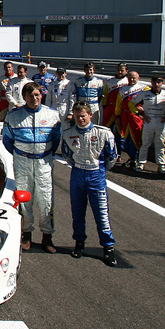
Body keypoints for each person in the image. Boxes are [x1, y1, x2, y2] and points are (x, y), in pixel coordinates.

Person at [2, 82, 62, 253]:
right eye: (30, 96)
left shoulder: (52, 115)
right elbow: (7, 141)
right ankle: (26, 233)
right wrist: (22, 153)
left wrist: (44, 153)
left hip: (44, 161)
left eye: (37, 95)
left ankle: (47, 236)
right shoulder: (13, 116)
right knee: (23, 198)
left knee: (46, 199)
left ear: (41, 95)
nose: (34, 98)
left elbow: (56, 139)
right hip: (23, 161)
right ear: (24, 97)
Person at [60, 102, 119, 266]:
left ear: (90, 115)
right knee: (77, 211)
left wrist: (99, 169)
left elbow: (112, 156)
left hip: (96, 174)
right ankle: (79, 243)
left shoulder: (104, 133)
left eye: (83, 116)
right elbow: (66, 155)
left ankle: (108, 247)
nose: (80, 119)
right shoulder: (68, 133)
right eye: (77, 116)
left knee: (101, 213)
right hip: (77, 173)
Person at [137, 74, 165, 174]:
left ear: (162, 83)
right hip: (149, 121)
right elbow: (132, 103)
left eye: (159, 82)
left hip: (161, 122)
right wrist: (140, 114)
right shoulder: (144, 94)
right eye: (154, 82)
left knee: (160, 144)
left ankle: (161, 165)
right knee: (145, 143)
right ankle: (141, 163)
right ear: (151, 83)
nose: (156, 84)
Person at [115, 70, 150, 169]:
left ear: (138, 78)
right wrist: (118, 117)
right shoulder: (122, 89)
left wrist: (143, 110)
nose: (132, 80)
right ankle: (131, 158)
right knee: (126, 139)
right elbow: (118, 105)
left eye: (134, 78)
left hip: (136, 117)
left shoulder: (144, 89)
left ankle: (135, 159)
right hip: (125, 116)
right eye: (130, 77)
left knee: (136, 138)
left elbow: (150, 100)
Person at [101, 62, 130, 142]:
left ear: (126, 71)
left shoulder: (128, 81)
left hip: (121, 109)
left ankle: (119, 148)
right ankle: (105, 145)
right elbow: (105, 94)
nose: (120, 72)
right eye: (118, 70)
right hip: (110, 108)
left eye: (122, 70)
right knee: (106, 128)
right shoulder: (110, 81)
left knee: (120, 130)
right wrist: (105, 106)